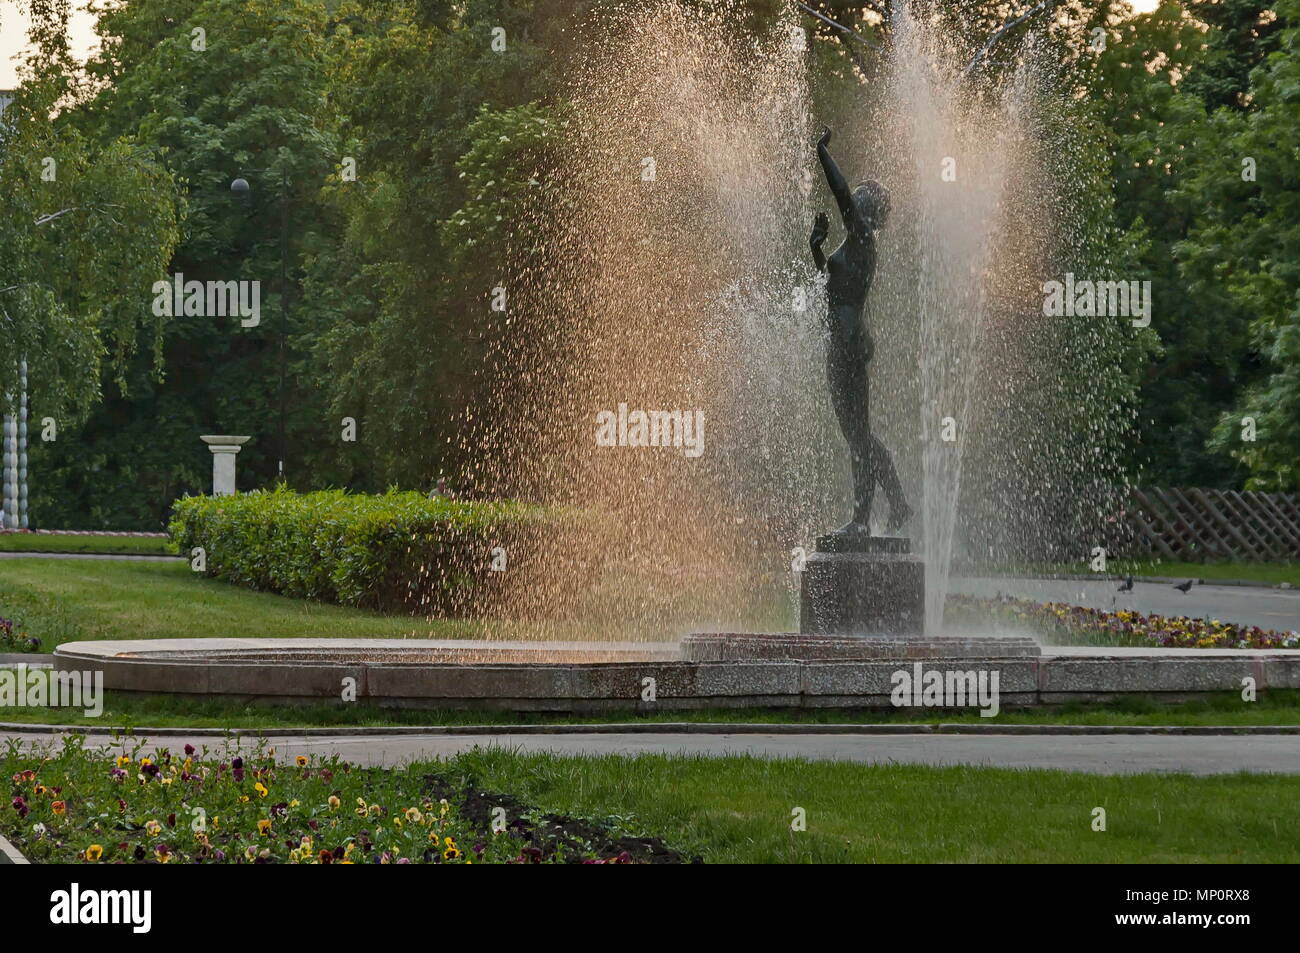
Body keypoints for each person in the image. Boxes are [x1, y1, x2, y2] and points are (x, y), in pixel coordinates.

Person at [809, 126, 911, 535]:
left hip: (849, 346)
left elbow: (841, 194)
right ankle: (899, 504)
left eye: (865, 193)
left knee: (857, 437)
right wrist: (817, 249)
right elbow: (828, 290)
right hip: (839, 343)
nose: (859, 194)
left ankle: (861, 521)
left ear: (872, 209)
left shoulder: (866, 239)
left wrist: (822, 153)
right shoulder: (851, 246)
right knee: (859, 434)